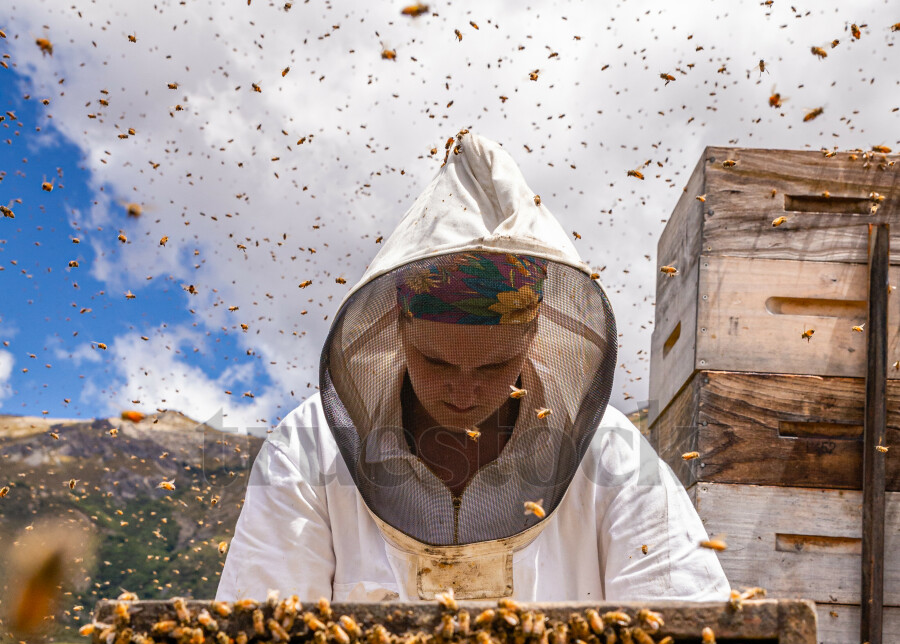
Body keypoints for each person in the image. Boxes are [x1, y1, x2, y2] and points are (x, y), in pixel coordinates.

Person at [216, 131, 729, 605]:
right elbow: (261, 631)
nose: (463, 389)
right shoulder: (308, 451)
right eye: (435, 359)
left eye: (494, 364)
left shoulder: (613, 458)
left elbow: (685, 622)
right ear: (399, 327)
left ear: (532, 335)